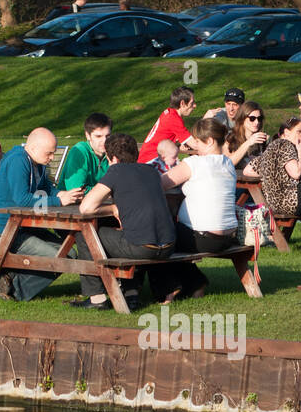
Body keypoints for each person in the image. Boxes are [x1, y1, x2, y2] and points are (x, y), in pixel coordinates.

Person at [74, 132, 175, 310]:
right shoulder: (151, 171)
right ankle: (131, 294)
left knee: (85, 235)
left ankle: (97, 298)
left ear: (110, 156)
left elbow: (86, 208)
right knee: (127, 234)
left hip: (143, 248)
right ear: (135, 154)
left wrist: (111, 208)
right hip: (168, 245)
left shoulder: (116, 170)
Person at [0, 127, 83, 301]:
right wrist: (59, 201)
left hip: (24, 227)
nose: (52, 158)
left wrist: (62, 195)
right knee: (59, 258)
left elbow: (47, 189)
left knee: (69, 253)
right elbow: (22, 200)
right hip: (5, 231)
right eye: (49, 153)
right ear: (33, 148)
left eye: (53, 153)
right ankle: (14, 291)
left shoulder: (38, 164)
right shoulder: (18, 162)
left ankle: (10, 280)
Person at [155, 118, 240, 302]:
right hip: (228, 237)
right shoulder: (227, 163)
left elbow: (158, 184)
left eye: (197, 142)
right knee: (174, 235)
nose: (194, 147)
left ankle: (168, 289)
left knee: (159, 238)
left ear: (209, 141)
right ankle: (195, 283)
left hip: (204, 237)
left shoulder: (195, 163)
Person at [254, 117, 301, 227]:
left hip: (274, 203)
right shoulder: (286, 145)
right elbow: (297, 174)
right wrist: (300, 149)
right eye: (299, 131)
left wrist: (270, 173)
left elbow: (248, 170)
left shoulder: (272, 147)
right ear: (287, 133)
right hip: (290, 200)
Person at [137, 87, 197, 163]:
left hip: (150, 158)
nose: (195, 106)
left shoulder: (170, 112)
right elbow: (195, 145)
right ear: (182, 103)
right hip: (151, 161)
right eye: (192, 103)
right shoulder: (174, 119)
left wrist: (178, 147)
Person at [60, 113, 112, 191]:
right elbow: (76, 190)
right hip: (71, 202)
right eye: (98, 136)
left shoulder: (114, 152)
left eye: (108, 136)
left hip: (104, 202)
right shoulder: (79, 152)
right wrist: (108, 192)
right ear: (87, 135)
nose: (105, 141)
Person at [227, 101, 269, 168]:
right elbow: (227, 164)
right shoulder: (231, 138)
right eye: (252, 118)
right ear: (242, 118)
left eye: (259, 118)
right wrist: (248, 143)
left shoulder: (263, 140)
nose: (257, 122)